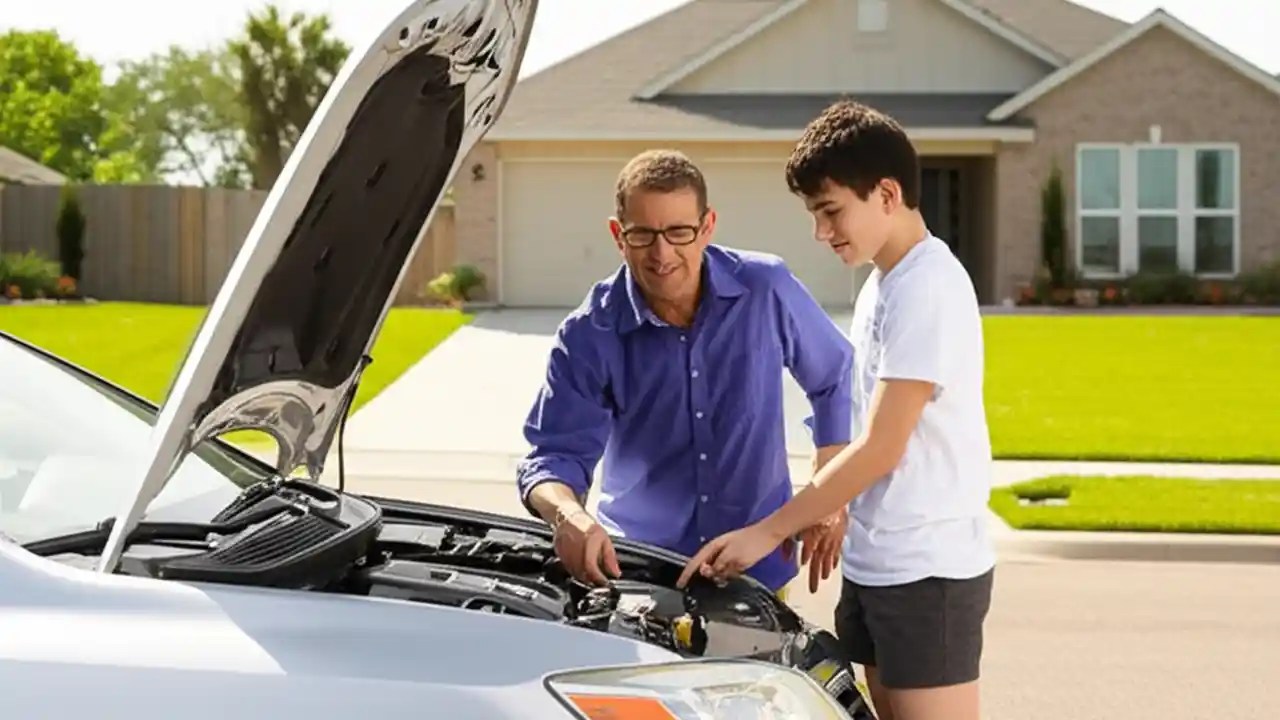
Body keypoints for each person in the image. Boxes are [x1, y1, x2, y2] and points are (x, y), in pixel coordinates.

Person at [677, 101, 997, 720]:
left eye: (831, 211)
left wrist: (771, 529)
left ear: (886, 193)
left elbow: (882, 445)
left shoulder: (930, 286)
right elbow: (859, 428)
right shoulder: (884, 282)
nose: (822, 233)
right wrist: (828, 505)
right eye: (815, 215)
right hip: (878, 564)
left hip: (928, 575)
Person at [515, 148, 855, 599]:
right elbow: (552, 458)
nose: (662, 254)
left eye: (679, 232)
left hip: (756, 571)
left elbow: (833, 375)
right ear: (618, 235)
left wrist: (828, 494)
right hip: (640, 573)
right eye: (642, 235)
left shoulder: (766, 288)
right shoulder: (588, 334)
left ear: (707, 227)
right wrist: (569, 517)